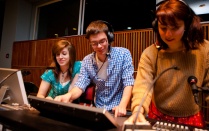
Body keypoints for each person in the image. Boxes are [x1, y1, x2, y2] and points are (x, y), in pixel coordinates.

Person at [126, 0, 209, 128]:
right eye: (163, 28)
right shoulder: (150, 53)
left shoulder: (204, 50)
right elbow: (143, 86)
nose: (168, 34)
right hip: (158, 116)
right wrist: (137, 111)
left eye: (175, 27)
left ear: (186, 25)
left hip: (192, 118)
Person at [54, 20, 135, 117]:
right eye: (94, 43)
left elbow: (128, 82)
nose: (99, 46)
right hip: (98, 108)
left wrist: (122, 105)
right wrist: (68, 95)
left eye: (102, 41)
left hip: (117, 109)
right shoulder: (87, 60)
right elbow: (80, 85)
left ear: (109, 38)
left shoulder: (124, 54)